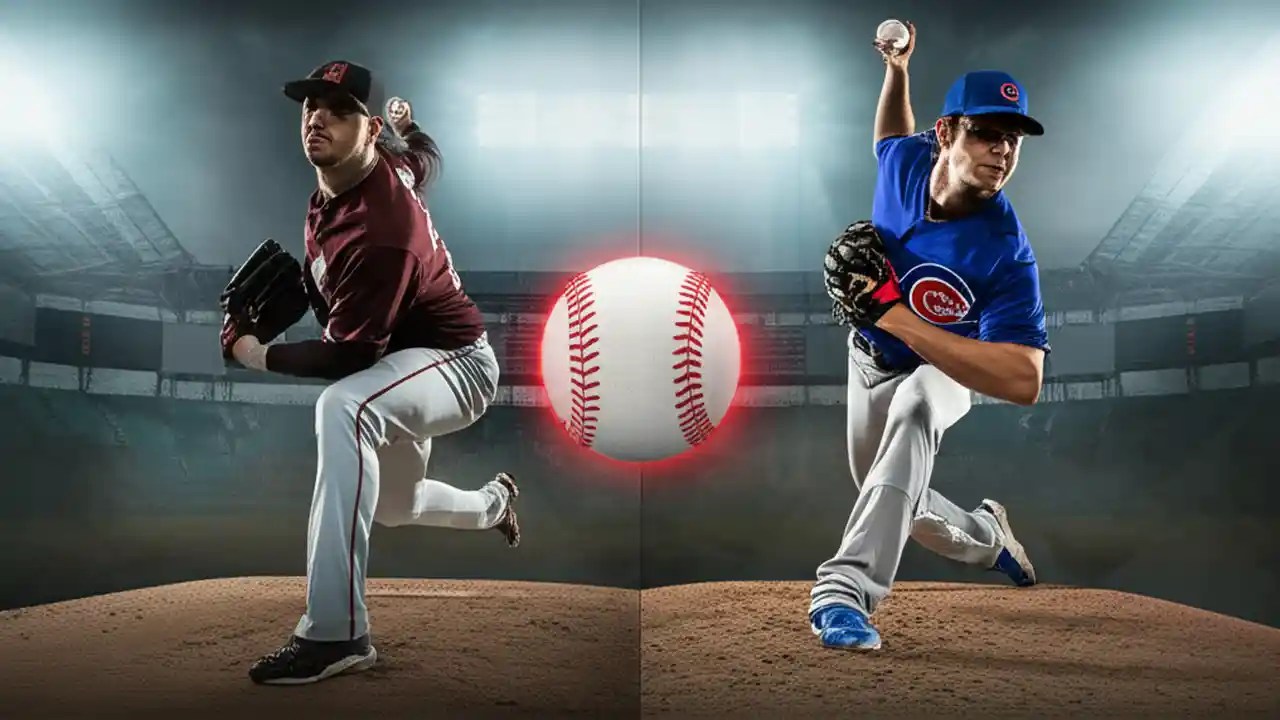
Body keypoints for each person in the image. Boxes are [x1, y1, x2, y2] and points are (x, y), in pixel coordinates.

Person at [224, 60, 521, 684]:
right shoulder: (359, 175)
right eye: (310, 105)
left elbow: (352, 358)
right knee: (395, 504)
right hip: (403, 368)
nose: (317, 117)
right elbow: (423, 158)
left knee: (344, 405)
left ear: (366, 131)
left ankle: (337, 632)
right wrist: (408, 128)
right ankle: (495, 505)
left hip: (456, 366)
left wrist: (256, 353)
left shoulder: (386, 228)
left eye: (337, 108)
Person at [809, 23, 1050, 650]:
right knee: (894, 496)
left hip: (945, 369)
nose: (1003, 150)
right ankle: (989, 538)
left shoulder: (1005, 252)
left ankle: (844, 591)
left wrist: (893, 315)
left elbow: (1024, 380)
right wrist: (898, 72)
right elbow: (889, 134)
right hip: (867, 362)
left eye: (1013, 138)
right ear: (945, 134)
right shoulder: (908, 158)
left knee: (918, 406)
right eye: (987, 133)